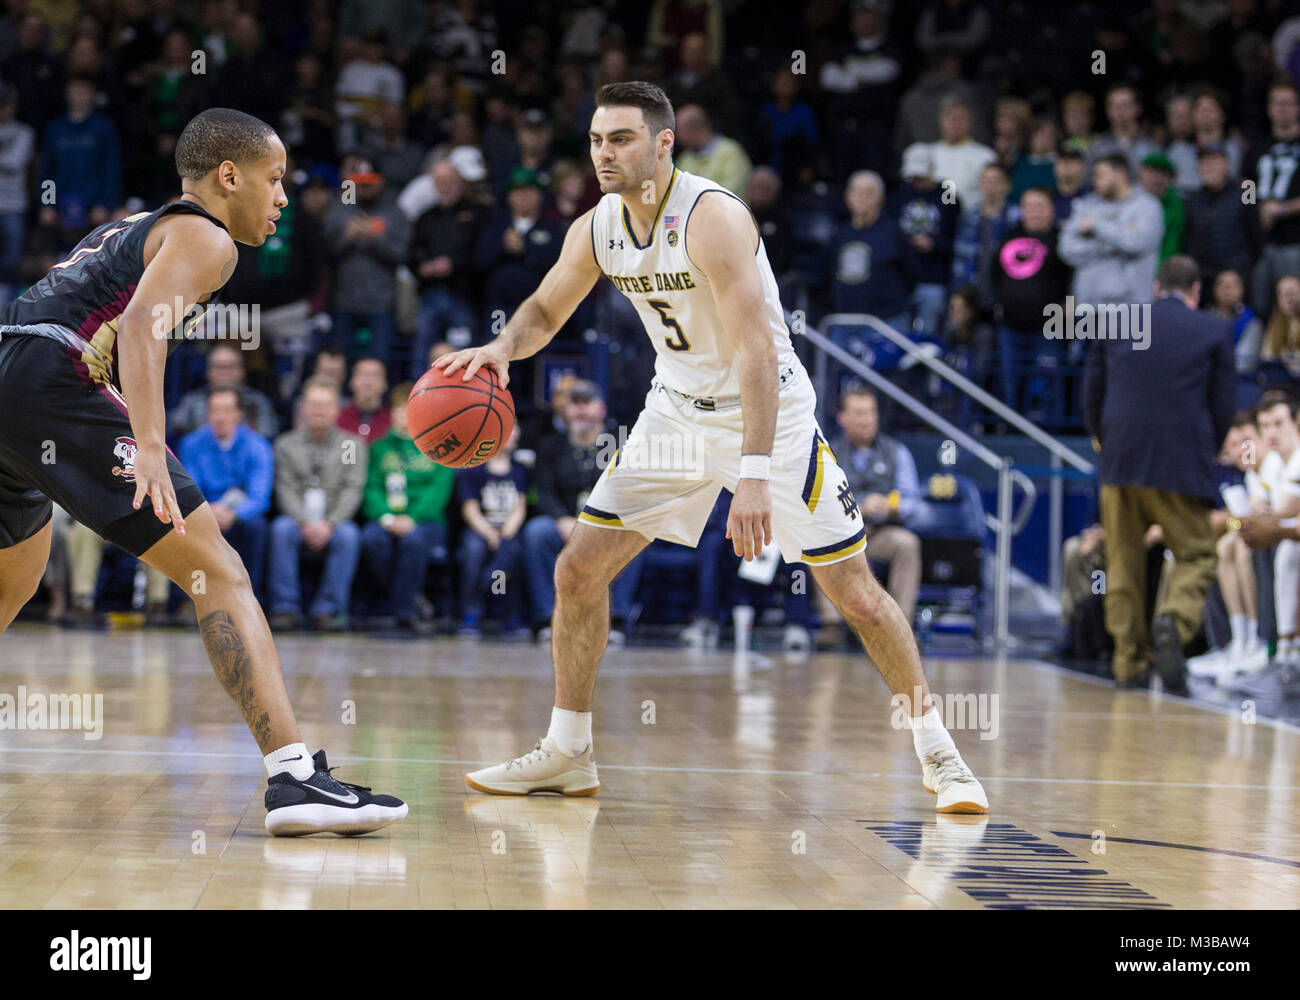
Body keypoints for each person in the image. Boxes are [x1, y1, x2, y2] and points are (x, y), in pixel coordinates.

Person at [437, 81, 987, 813]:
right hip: (674, 417)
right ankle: (568, 752)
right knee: (578, 570)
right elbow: (545, 306)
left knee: (855, 594)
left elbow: (758, 351)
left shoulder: (713, 218)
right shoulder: (599, 225)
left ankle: (941, 754)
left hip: (771, 417)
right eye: (598, 140)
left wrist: (753, 475)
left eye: (622, 139)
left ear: (664, 144)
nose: (605, 153)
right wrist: (505, 348)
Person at [0, 108, 405, 835]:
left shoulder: (134, 225)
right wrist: (149, 441)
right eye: (274, 179)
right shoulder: (207, 236)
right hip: (58, 378)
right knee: (217, 571)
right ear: (229, 175)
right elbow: (147, 327)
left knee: (13, 582)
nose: (283, 198)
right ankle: (294, 778)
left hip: (12, 375)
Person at [1083, 255, 1235, 692]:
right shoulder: (1212, 329)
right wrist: (1204, 450)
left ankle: (1128, 664)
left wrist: (1105, 443)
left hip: (1120, 461)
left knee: (1123, 563)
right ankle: (1173, 620)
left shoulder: (1118, 321)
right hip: (1180, 464)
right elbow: (1222, 406)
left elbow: (1093, 392)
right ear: (1195, 292)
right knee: (1197, 554)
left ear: (1155, 288)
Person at [522, 379, 643, 644]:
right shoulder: (551, 447)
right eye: (574, 404)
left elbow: (629, 490)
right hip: (565, 525)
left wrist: (597, 523)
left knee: (637, 530)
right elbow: (543, 492)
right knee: (536, 531)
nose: (580, 411)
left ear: (601, 409)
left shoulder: (622, 443)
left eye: (586, 403)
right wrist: (562, 519)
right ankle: (546, 618)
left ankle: (617, 620)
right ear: (565, 411)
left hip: (607, 525)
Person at [816, 386, 922, 634]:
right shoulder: (828, 451)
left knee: (907, 544)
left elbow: (912, 501)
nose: (866, 420)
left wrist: (890, 507)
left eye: (871, 413)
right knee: (814, 540)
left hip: (880, 533)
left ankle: (901, 626)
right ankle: (830, 625)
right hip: (842, 535)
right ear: (843, 418)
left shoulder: (896, 452)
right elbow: (819, 500)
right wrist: (859, 508)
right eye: (859, 413)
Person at [269, 377, 366, 633]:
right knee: (281, 529)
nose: (319, 411)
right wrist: (304, 522)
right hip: (296, 519)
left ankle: (329, 610)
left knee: (349, 536)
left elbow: (352, 490)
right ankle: (285, 608)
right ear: (303, 409)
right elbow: (285, 488)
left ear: (337, 410)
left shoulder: (351, 445)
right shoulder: (286, 445)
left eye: (325, 405)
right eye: (313, 405)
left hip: (334, 521)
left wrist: (329, 524)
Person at [360, 381, 455, 635]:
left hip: (425, 521)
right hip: (386, 519)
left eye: (409, 410)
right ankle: (412, 599)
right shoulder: (379, 447)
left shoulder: (439, 445)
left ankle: (405, 613)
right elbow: (371, 487)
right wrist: (386, 517)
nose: (403, 416)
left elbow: (438, 490)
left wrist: (411, 518)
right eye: (398, 410)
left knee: (414, 541)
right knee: (370, 539)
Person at [1227, 391, 1300, 697]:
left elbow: (1285, 513)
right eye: (1266, 425)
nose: (1272, 432)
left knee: (1281, 548)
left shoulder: (1291, 459)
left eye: (1278, 423)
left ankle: (1278, 649)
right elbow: (1247, 518)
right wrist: (1240, 524)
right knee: (1238, 544)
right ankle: (1247, 644)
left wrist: (1258, 525)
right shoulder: (1273, 465)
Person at [179, 386, 273, 601]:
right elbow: (190, 488)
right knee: (184, 523)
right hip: (205, 511)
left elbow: (259, 496)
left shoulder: (258, 446)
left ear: (239, 414)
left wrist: (233, 513)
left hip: (240, 515)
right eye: (215, 411)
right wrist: (209, 511)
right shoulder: (192, 444)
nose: (220, 417)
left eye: (227, 411)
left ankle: (250, 598)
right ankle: (191, 600)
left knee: (257, 528)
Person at [456, 424, 529, 639]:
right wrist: (488, 533)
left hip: (508, 530)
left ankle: (511, 615)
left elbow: (520, 505)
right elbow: (469, 507)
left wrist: (506, 532)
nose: (516, 433)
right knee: (472, 549)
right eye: (510, 428)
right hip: (480, 529)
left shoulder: (520, 469)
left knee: (514, 553)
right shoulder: (474, 468)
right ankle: (471, 613)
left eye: (516, 429)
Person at [336, 356, 390, 444]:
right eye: (362, 375)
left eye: (375, 375)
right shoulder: (337, 418)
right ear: (351, 382)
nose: (368, 382)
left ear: (385, 384)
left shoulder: (392, 422)